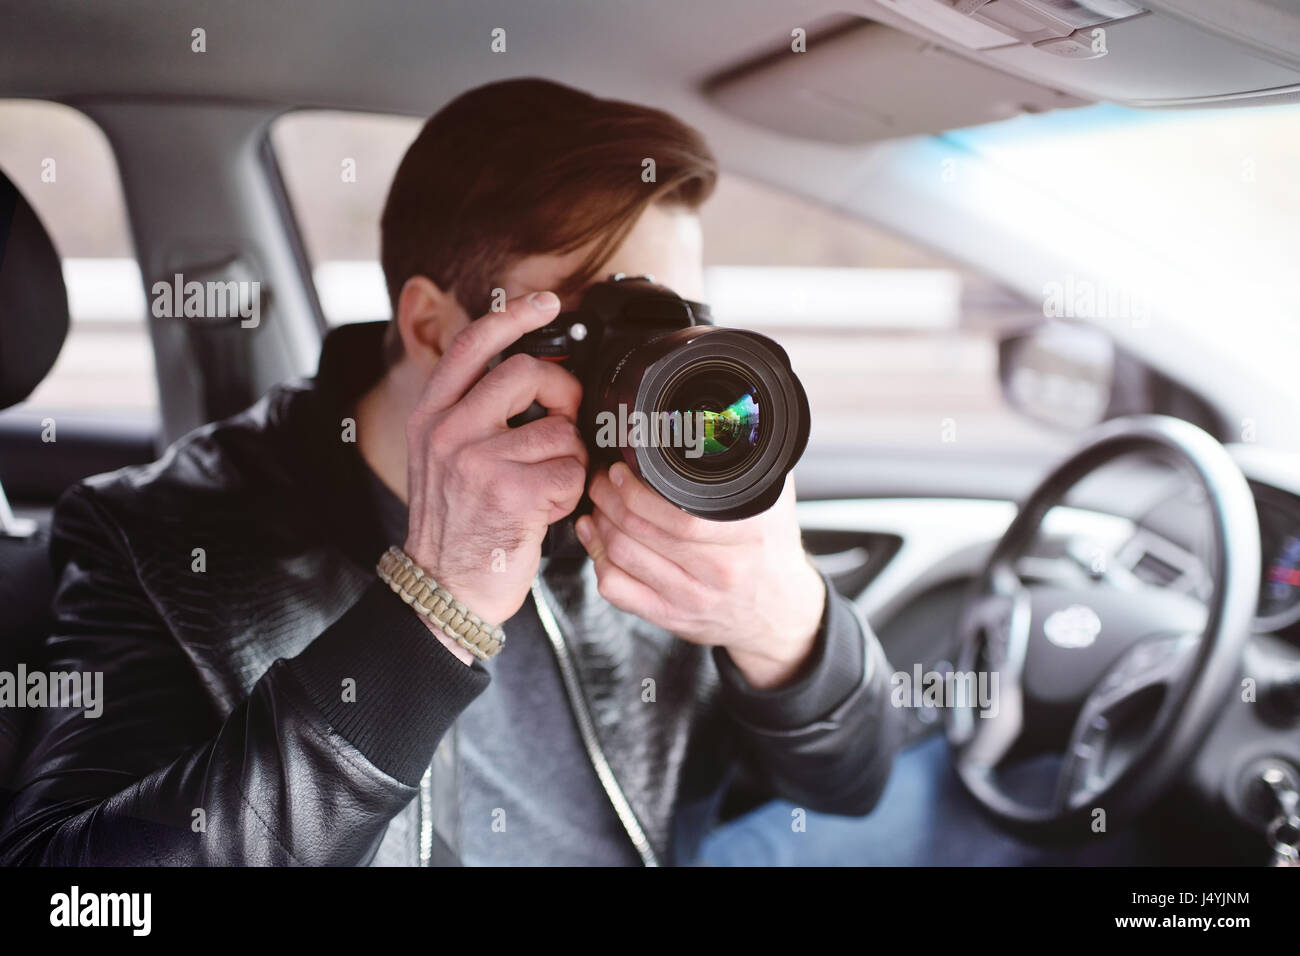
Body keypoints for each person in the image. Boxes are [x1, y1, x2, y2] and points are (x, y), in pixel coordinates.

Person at [0, 78, 902, 866]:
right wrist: (431, 610)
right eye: (597, 325)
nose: (650, 370)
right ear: (434, 327)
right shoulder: (154, 537)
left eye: (671, 323)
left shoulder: (662, 488)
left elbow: (852, 784)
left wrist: (785, 625)